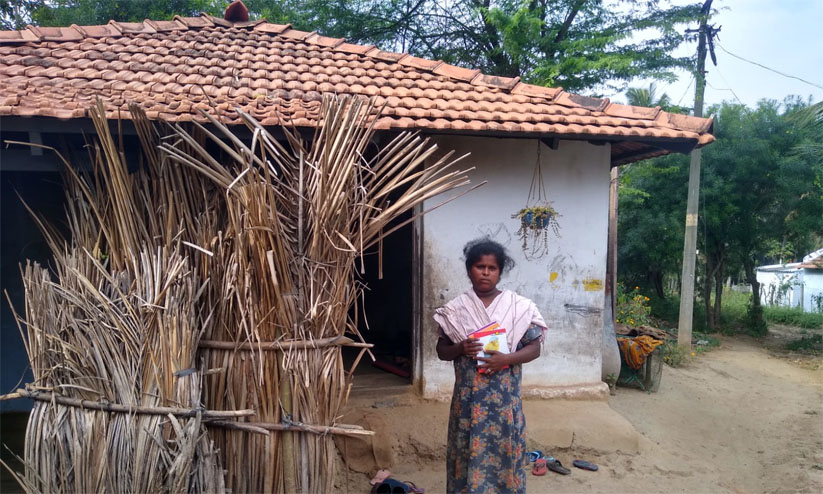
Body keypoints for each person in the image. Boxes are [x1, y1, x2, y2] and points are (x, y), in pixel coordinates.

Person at [434, 238, 547, 494]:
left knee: (504, 453)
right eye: (479, 266)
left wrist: (506, 359)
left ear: (499, 272)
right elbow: (442, 351)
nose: (485, 272)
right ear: (469, 270)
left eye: (492, 268)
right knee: (465, 453)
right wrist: (459, 348)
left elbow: (535, 348)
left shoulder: (518, 308)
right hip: (467, 404)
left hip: (504, 403)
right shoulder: (455, 310)